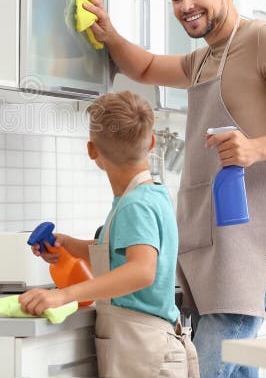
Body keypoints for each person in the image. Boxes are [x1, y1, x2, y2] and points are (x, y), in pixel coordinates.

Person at [78, 0, 266, 377]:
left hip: (253, 242)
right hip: (206, 240)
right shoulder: (201, 60)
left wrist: (256, 148)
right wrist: (109, 33)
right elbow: (143, 67)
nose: (186, 6)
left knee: (207, 371)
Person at [20, 90, 200, 378]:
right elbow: (123, 251)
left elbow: (141, 271)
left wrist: (64, 295)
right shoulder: (149, 195)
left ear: (92, 151)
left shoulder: (135, 205)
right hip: (142, 345)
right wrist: (69, 245)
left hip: (143, 350)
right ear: (152, 143)